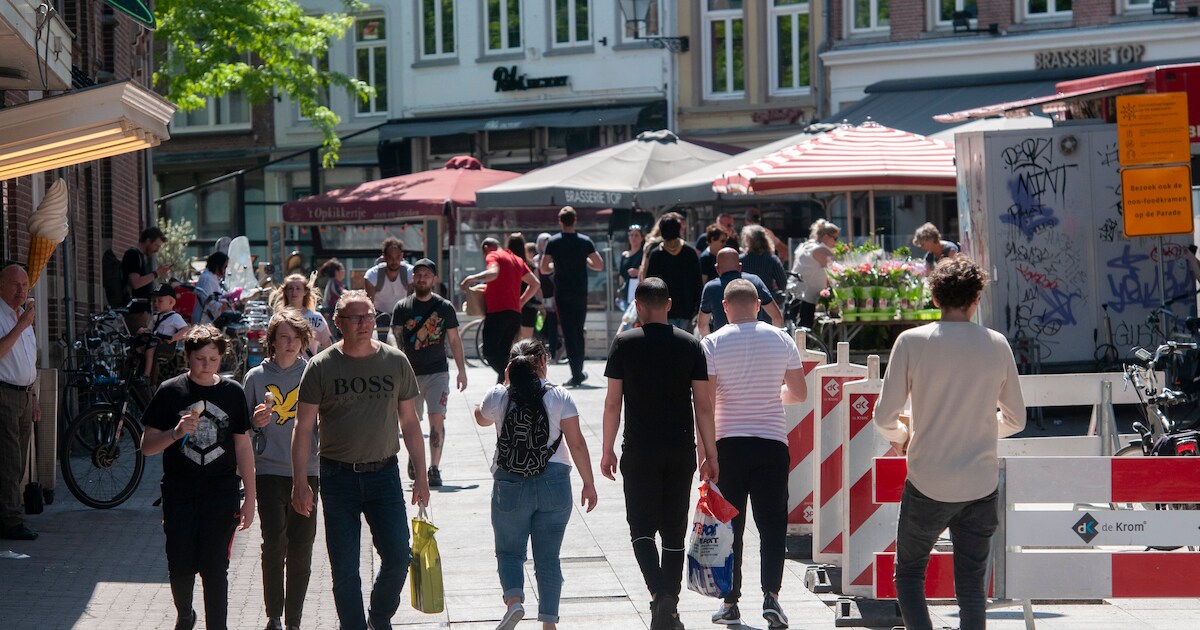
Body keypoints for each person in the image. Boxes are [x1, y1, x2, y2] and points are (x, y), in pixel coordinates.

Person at [873, 256, 1025, 630]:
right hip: (980, 482)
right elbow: (1016, 419)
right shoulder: (996, 344)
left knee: (909, 572)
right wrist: (980, 429)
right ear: (977, 298)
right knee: (972, 585)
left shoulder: (912, 342)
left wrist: (903, 438)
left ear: (936, 298)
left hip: (928, 478)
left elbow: (882, 417)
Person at [290, 290, 430, 630]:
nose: (365, 324)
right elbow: (303, 426)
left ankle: (379, 615)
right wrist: (300, 483)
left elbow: (410, 422)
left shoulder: (395, 361)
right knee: (345, 568)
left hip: (384, 474)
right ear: (338, 323)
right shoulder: (321, 366)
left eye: (369, 316)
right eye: (356, 318)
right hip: (338, 478)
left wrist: (422, 477)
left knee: (399, 556)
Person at [600, 278, 718, 630]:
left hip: (639, 449)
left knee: (640, 529)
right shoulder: (690, 345)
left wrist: (606, 449)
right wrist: (710, 454)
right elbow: (704, 406)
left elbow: (611, 404)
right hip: (681, 448)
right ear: (668, 304)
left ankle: (660, 595)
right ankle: (670, 601)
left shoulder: (624, 344)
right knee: (673, 530)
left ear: (638, 306)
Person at [702, 279, 807, 629]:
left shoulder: (712, 343)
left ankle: (730, 602)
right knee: (773, 524)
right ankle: (772, 597)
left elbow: (707, 401)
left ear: (726, 306)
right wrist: (770, 395)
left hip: (728, 444)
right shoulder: (782, 339)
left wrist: (705, 451)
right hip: (772, 443)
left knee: (731, 524)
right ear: (759, 304)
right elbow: (799, 392)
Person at [474, 339, 598, 630]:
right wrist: (588, 483)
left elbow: (480, 418)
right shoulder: (560, 396)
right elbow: (577, 443)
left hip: (509, 482)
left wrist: (503, 384)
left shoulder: (499, 395)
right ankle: (549, 624)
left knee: (509, 552)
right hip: (554, 482)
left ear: (510, 365)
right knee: (548, 558)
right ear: (543, 360)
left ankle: (515, 603)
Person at [140, 324, 257, 630]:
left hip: (222, 491)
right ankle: (184, 614)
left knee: (215, 565)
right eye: (200, 358)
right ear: (187, 357)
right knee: (179, 562)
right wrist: (174, 433)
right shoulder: (171, 391)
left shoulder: (233, 393)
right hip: (179, 490)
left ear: (222, 358)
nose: (206, 365)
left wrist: (250, 499)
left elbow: (243, 446)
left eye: (213, 359)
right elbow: (147, 447)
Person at [243, 310, 318, 630]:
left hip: (309, 469)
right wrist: (254, 423)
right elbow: (240, 430)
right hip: (269, 469)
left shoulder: (313, 373)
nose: (290, 344)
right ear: (271, 341)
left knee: (301, 546)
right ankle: (274, 614)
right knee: (274, 541)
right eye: (283, 337)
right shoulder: (256, 378)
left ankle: (294, 620)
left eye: (296, 338)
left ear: (304, 341)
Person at [392, 258, 468, 488]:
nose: (421, 278)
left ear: (434, 279)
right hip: (410, 375)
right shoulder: (402, 307)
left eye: (426, 275)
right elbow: (395, 339)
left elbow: (454, 339)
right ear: (413, 278)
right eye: (418, 275)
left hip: (437, 373)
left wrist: (461, 370)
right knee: (410, 422)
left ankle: (434, 467)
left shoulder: (444, 307)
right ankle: (416, 461)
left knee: (437, 418)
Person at [462, 238, 540, 383]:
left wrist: (472, 278)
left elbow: (493, 273)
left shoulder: (494, 255)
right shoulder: (516, 259)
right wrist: (521, 301)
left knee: (490, 353)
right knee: (504, 354)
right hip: (514, 314)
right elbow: (535, 283)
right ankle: (504, 392)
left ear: (486, 248)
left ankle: (516, 378)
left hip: (498, 313)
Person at [541, 207, 604, 387]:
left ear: (560, 221)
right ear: (575, 220)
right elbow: (599, 265)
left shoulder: (553, 242)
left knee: (568, 331)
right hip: (580, 292)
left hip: (562, 292)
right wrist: (584, 260)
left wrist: (557, 264)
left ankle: (576, 372)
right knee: (578, 329)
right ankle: (578, 371)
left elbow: (544, 269)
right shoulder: (585, 241)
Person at [0, 263, 39, 541]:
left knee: (19, 460)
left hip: (25, 394)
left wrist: (34, 396)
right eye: (15, 285)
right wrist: (21, 325)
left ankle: (10, 512)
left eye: (25, 285)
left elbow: (29, 359)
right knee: (9, 460)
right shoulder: (7, 317)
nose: (21, 291)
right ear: (1, 285)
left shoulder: (22, 315)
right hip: (5, 394)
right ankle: (10, 521)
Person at [698, 248, 784, 336]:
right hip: (756, 341)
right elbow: (777, 317)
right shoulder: (755, 282)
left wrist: (711, 345)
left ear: (717, 268)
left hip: (724, 343)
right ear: (740, 267)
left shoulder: (710, 288)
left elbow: (702, 325)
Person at [644, 214, 702, 332]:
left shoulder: (656, 254)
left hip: (662, 308)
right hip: (687, 308)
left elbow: (650, 284)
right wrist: (698, 306)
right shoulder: (690, 252)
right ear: (679, 230)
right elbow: (697, 281)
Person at [790, 219, 841, 329]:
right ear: (826, 236)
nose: (836, 243)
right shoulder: (821, 249)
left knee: (796, 330)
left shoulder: (805, 246)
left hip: (797, 292)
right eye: (835, 238)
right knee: (804, 330)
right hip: (806, 296)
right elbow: (836, 270)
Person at [138, 284, 191, 383]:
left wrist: (174, 337)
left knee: (150, 351)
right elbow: (150, 330)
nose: (156, 304)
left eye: (160, 301)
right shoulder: (155, 317)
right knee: (137, 347)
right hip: (154, 341)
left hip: (165, 344)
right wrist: (144, 330)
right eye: (154, 301)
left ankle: (146, 375)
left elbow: (185, 330)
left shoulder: (175, 317)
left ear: (171, 302)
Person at [364, 238, 412, 342]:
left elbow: (412, 300)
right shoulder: (373, 275)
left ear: (402, 256)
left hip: (402, 313)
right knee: (381, 342)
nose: (394, 261)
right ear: (384, 256)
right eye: (390, 257)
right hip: (381, 314)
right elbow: (369, 303)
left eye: (397, 257)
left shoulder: (410, 272)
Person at [274, 274, 333, 357]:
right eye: (290, 288)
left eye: (298, 288)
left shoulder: (316, 318)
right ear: (285, 291)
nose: (294, 292)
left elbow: (328, 348)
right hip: (284, 369)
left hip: (308, 368)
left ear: (305, 292)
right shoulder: (277, 318)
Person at [122, 227, 169, 331]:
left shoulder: (140, 257)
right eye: (156, 245)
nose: (157, 250)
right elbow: (136, 283)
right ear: (148, 241)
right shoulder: (133, 255)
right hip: (136, 311)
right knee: (142, 344)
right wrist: (157, 273)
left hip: (141, 311)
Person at [739, 225, 787, 303]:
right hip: (767, 301)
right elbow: (783, 283)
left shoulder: (740, 260)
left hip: (745, 301)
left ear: (748, 240)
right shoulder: (772, 259)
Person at [534, 233, 562, 363]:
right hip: (539, 297)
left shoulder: (554, 260)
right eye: (543, 242)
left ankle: (553, 353)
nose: (546, 245)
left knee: (552, 324)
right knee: (538, 325)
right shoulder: (536, 261)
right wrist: (539, 299)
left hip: (553, 297)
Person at [513, 235, 541, 341]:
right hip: (528, 305)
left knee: (511, 340)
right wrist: (542, 304)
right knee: (526, 341)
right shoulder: (531, 266)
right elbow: (537, 286)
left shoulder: (509, 264)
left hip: (511, 304)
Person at [197, 252, 231, 323]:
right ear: (218, 266)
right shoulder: (207, 279)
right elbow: (206, 300)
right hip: (204, 320)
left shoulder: (212, 278)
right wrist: (221, 307)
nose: (225, 271)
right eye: (224, 267)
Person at [618, 224, 645, 308]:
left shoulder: (644, 254)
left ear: (642, 238)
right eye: (631, 235)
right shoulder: (624, 255)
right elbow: (621, 275)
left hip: (640, 290)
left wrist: (638, 272)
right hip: (627, 292)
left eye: (636, 235)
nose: (633, 238)